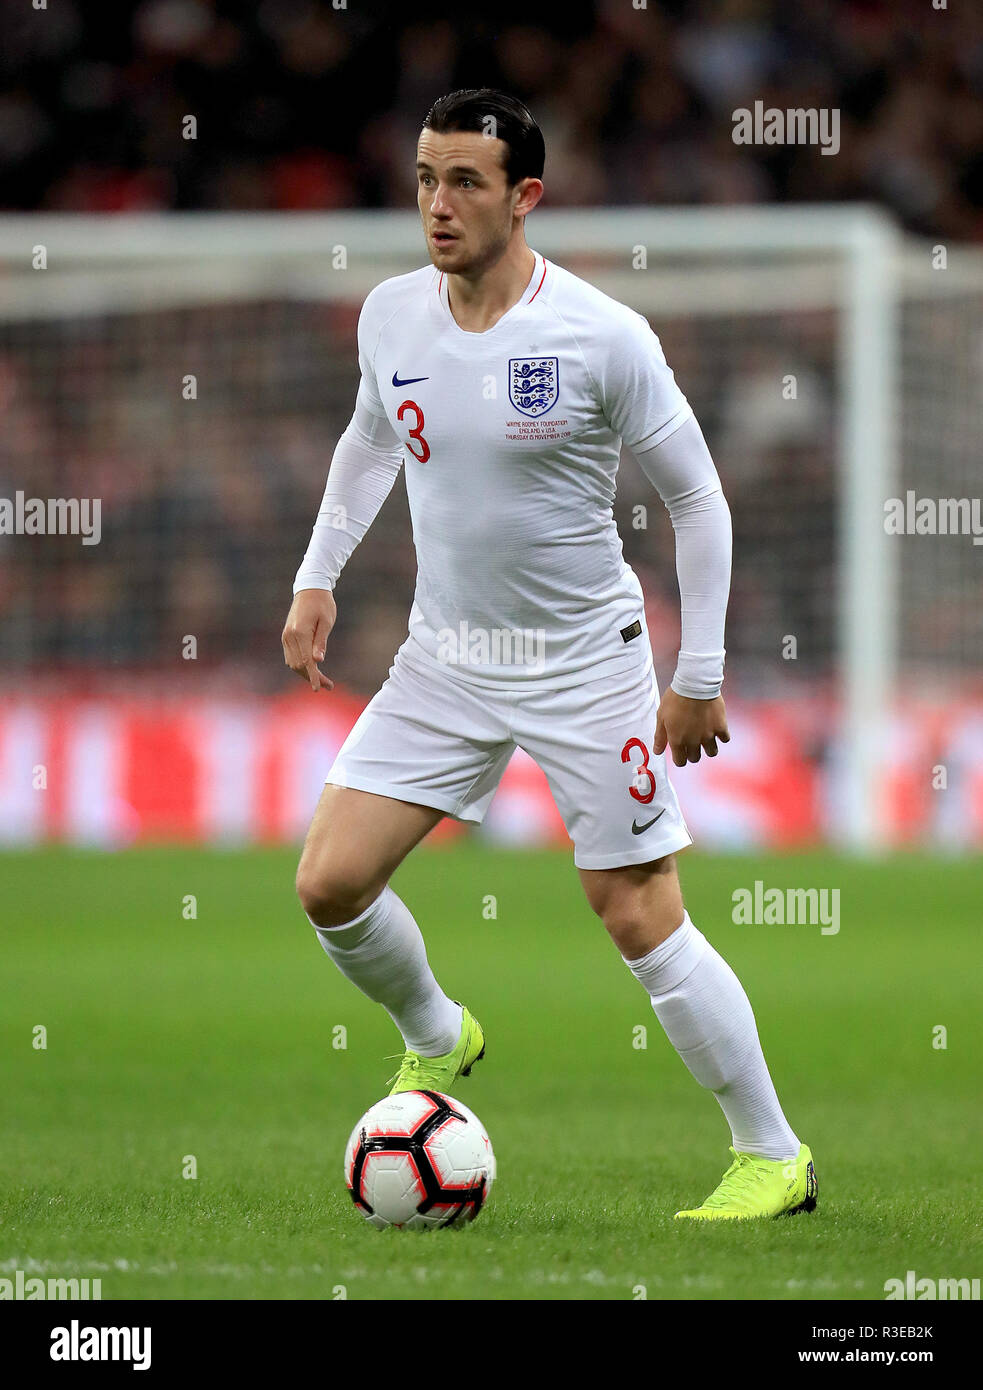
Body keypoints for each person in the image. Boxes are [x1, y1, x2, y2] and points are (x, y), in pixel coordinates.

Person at [281, 88, 816, 1221]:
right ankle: (438, 1031)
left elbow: (698, 500)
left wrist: (700, 676)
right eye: (426, 177)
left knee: (631, 907)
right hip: (445, 654)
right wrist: (316, 574)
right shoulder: (390, 317)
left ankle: (771, 1154)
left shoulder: (601, 336)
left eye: (465, 181)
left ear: (524, 197)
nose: (437, 203)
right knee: (328, 880)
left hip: (583, 660)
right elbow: (369, 438)